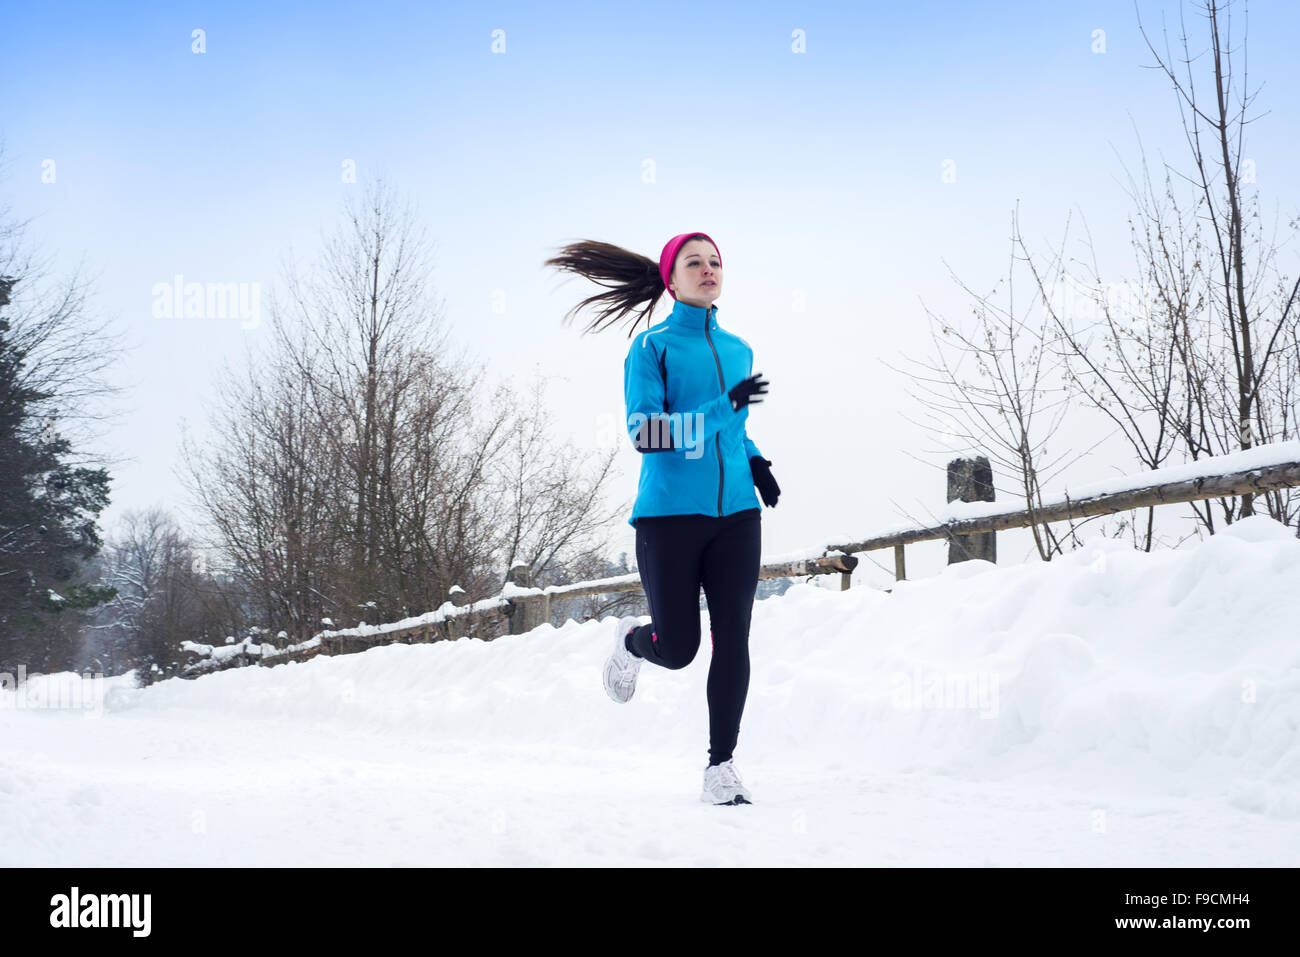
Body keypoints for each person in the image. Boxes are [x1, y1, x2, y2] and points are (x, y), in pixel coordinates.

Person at [543, 232, 781, 805]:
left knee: (734, 640)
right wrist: (724, 407)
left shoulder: (739, 349)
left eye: (716, 261)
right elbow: (647, 434)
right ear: (670, 280)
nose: (708, 270)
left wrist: (756, 462)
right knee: (678, 649)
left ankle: (720, 768)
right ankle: (631, 643)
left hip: (736, 519)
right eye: (693, 263)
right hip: (670, 518)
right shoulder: (650, 349)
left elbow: (734, 430)